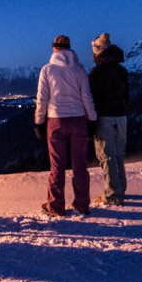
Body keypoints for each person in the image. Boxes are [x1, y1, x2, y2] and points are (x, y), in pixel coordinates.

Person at [34, 35, 97, 217]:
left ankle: (56, 207)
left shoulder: (47, 70)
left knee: (57, 166)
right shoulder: (79, 70)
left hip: (56, 121)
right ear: (69, 48)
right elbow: (87, 97)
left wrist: (39, 122)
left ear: (54, 48)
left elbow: (42, 99)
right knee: (80, 165)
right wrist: (92, 119)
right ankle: (82, 205)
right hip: (78, 121)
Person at [88, 33, 130, 206]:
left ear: (98, 50)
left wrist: (91, 121)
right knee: (118, 154)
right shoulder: (121, 70)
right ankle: (120, 188)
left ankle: (113, 195)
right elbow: (126, 95)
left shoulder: (97, 72)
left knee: (106, 156)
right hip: (121, 116)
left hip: (105, 117)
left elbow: (93, 99)